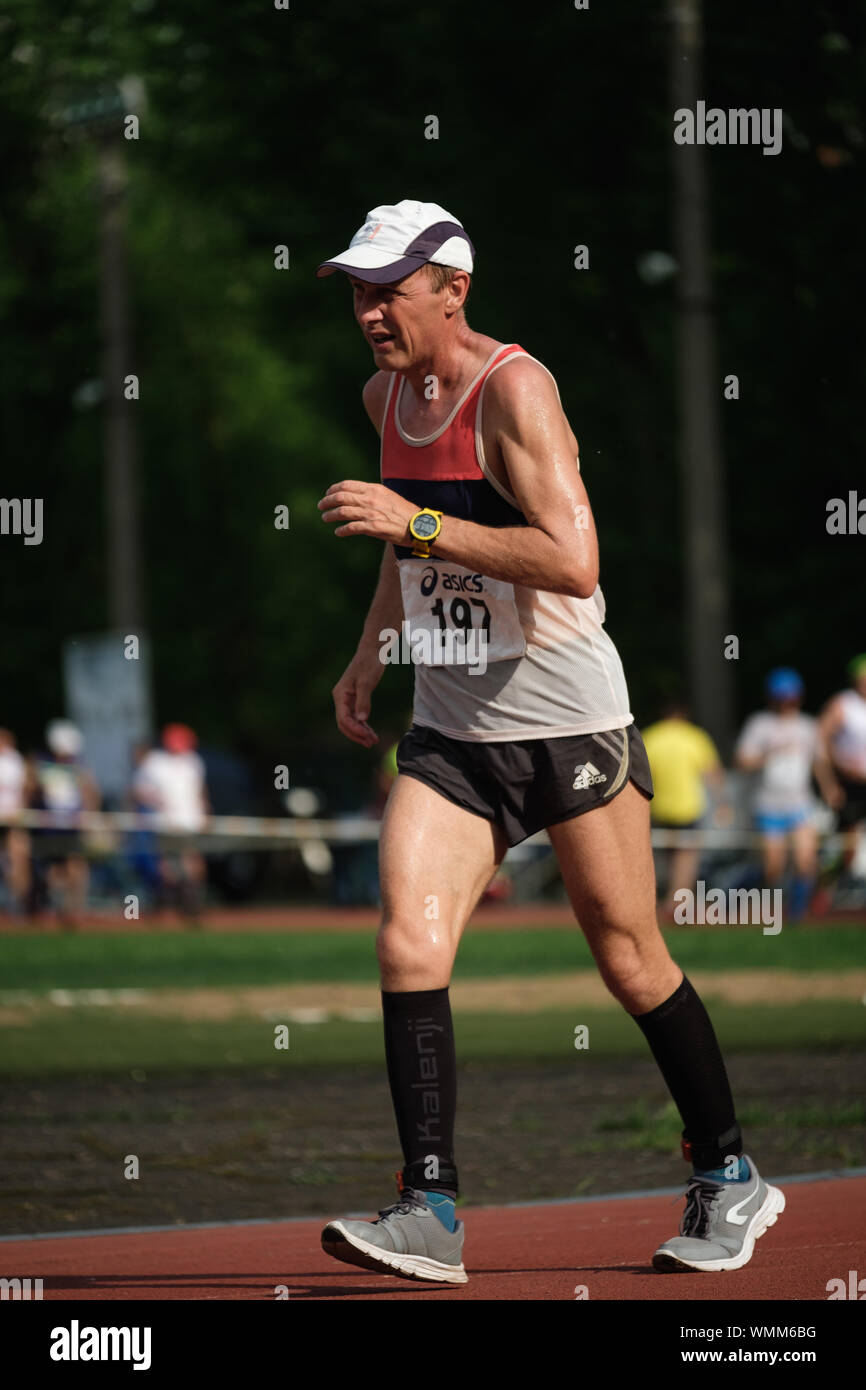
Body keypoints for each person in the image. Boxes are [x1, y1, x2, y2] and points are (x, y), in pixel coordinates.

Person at [313, 199, 784, 1282]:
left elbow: (571, 560)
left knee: (627, 958)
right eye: (356, 288)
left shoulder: (514, 389)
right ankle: (428, 1207)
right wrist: (369, 651)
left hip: (568, 725)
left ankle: (728, 1176)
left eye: (388, 288)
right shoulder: (383, 394)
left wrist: (416, 524)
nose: (369, 309)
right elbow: (405, 538)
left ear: (453, 287)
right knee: (406, 940)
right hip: (450, 732)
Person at [735, 669, 838, 920]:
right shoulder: (760, 724)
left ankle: (797, 916)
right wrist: (770, 753)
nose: (787, 704)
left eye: (791, 699)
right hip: (768, 805)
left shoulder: (807, 726)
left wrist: (829, 788)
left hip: (800, 803)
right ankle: (733, 897)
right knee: (773, 868)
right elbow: (742, 761)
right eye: (782, 699)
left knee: (806, 862)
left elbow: (819, 762)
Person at [641, 702, 728, 916]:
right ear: (683, 715)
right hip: (687, 807)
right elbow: (712, 772)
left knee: (667, 856)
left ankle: (671, 898)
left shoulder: (650, 737)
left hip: (659, 807)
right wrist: (723, 803)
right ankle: (678, 901)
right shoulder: (694, 737)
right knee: (686, 856)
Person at [132, 725, 209, 923]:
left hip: (190, 821)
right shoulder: (155, 762)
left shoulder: (193, 761)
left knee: (190, 861)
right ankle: (168, 904)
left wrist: (205, 812)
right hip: (165, 822)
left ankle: (190, 904)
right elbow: (139, 790)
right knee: (167, 865)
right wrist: (157, 802)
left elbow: (200, 790)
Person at [28, 720, 100, 927]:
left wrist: (89, 816)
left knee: (77, 866)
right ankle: (58, 909)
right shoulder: (40, 763)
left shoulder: (79, 766)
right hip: (49, 827)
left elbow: (90, 791)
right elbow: (31, 790)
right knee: (54, 870)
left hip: (73, 826)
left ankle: (75, 911)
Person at [818, 654, 866, 877]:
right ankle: (832, 882)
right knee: (848, 838)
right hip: (850, 783)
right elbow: (821, 739)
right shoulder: (843, 704)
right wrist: (832, 778)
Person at [0, 728, 31, 914]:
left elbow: (22, 789)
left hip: (11, 817)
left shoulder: (13, 760)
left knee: (18, 857)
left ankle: (19, 903)